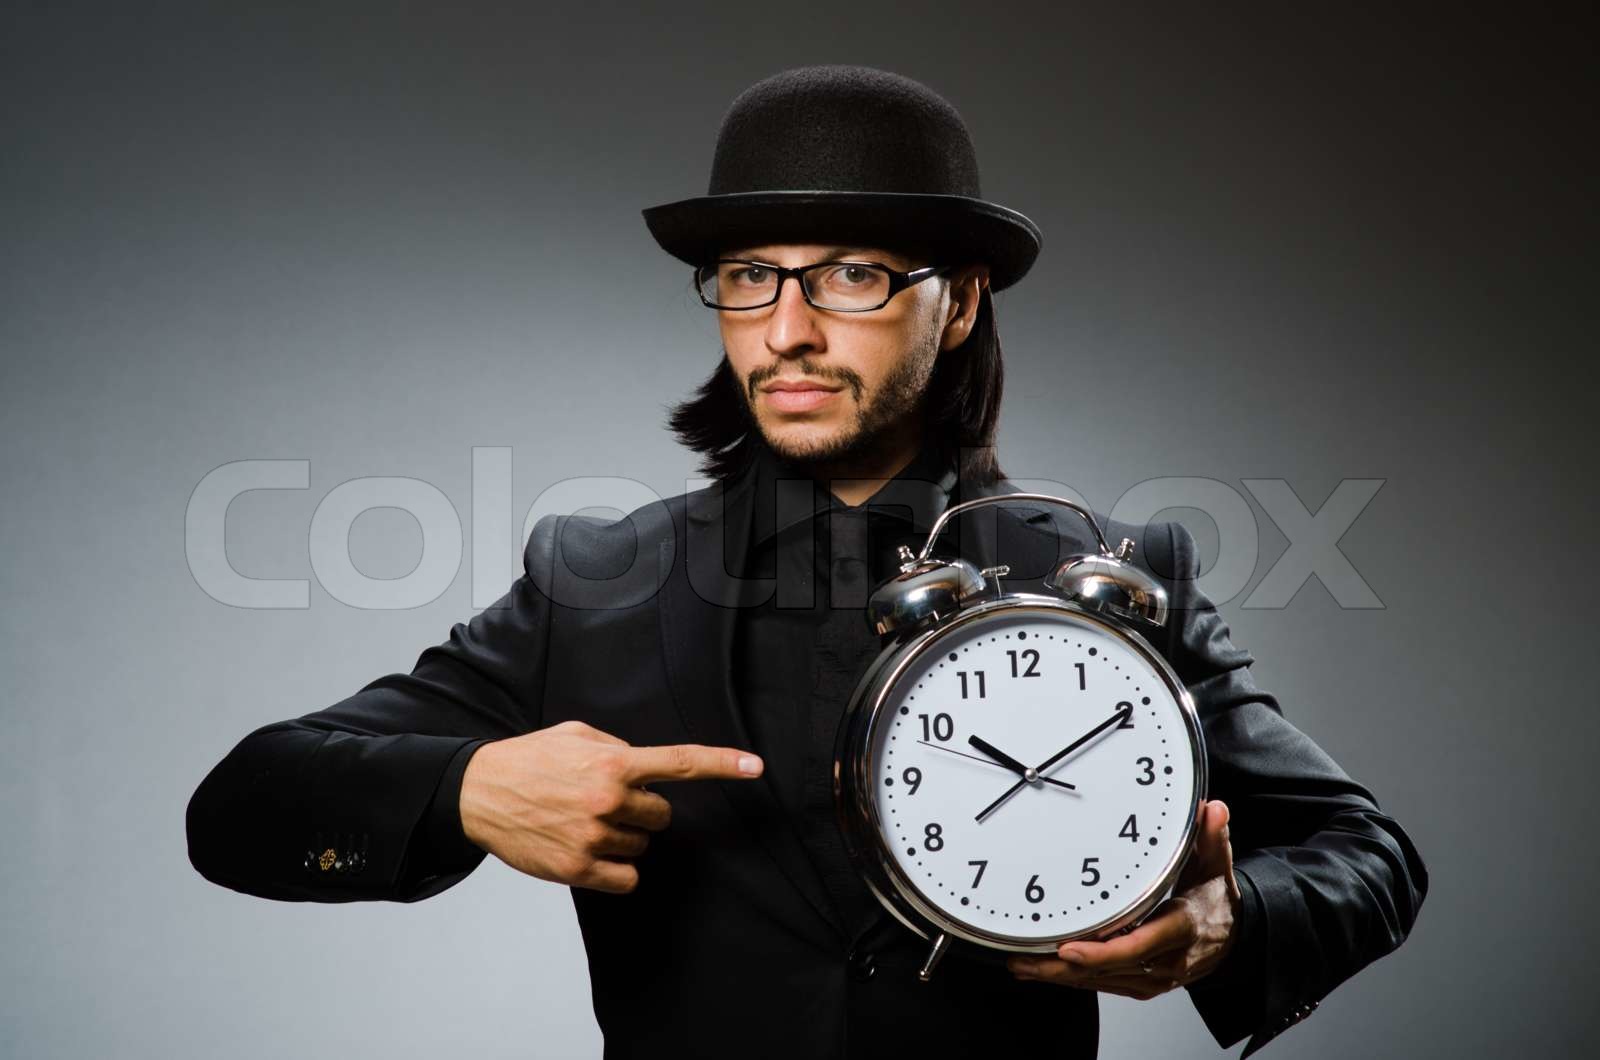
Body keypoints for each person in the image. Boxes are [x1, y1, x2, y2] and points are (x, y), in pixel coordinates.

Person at [186, 65, 1427, 1058]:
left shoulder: (1108, 572)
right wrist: (464, 788)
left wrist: (1226, 919)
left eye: (850, 275)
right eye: (747, 279)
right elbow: (241, 804)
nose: (785, 329)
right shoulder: (594, 583)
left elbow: (1368, 856)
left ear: (963, 301)